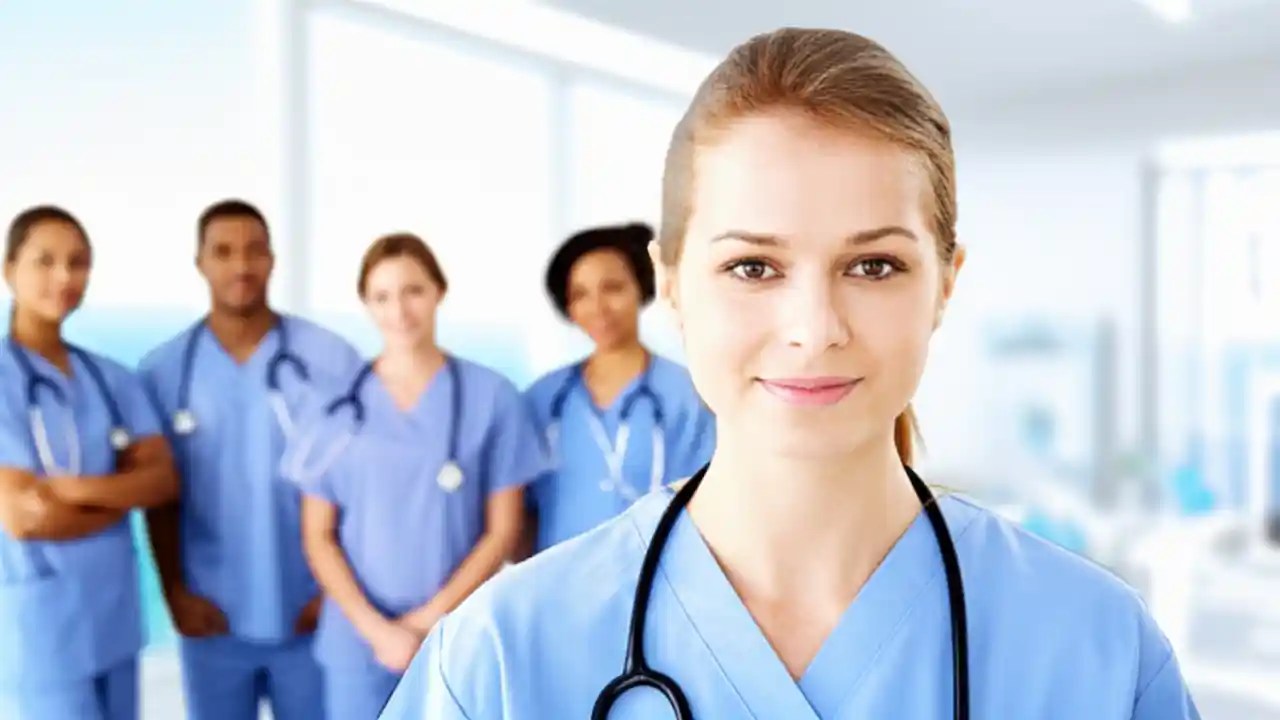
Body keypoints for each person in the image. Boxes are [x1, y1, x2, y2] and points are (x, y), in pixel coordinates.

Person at [380, 28, 1202, 719]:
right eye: (753, 268)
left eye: (874, 266)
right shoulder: (502, 660)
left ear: (946, 284)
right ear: (671, 284)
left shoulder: (1097, 652)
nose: (814, 330)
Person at [283, 233, 546, 719]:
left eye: (413, 291)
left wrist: (428, 621)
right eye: (382, 297)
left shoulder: (492, 398)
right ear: (365, 304)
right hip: (358, 639)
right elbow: (318, 535)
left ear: (439, 291)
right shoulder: (332, 404)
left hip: (456, 629)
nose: (399, 310)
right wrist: (379, 630)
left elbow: (503, 531)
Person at [138, 200, 362, 720]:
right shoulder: (163, 371)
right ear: (200, 263)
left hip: (312, 613)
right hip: (212, 617)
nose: (241, 265)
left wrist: (338, 592)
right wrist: (174, 592)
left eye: (254, 250)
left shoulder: (331, 359)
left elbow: (361, 486)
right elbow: (159, 497)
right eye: (224, 252)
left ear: (273, 259)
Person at [0, 206, 178, 719]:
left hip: (113, 626)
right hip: (39, 638)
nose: (64, 276)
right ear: (9, 270)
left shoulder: (111, 378)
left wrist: (73, 491)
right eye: (45, 261)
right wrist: (122, 496)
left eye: (78, 262)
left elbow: (164, 481)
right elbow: (23, 517)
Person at [522, 222, 714, 554]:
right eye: (580, 295)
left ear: (641, 287)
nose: (598, 307)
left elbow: (712, 502)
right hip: (559, 586)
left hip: (658, 581)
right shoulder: (543, 399)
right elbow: (518, 514)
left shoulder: (688, 393)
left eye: (612, 287)